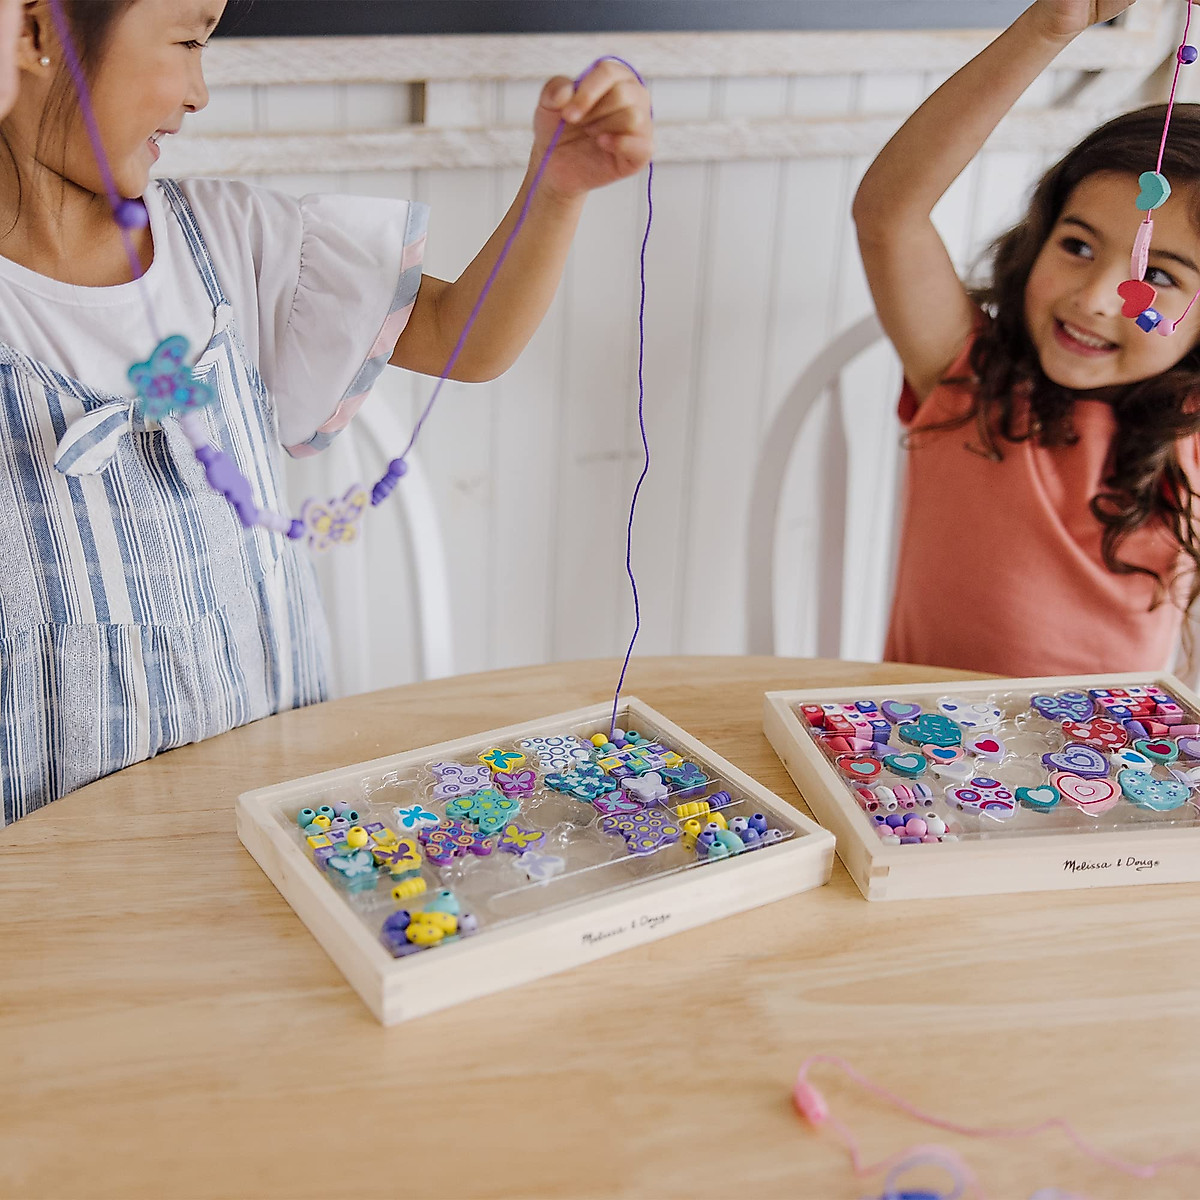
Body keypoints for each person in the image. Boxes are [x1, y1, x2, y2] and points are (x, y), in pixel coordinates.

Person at [0, 0, 653, 823]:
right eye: (187, 40)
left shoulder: (229, 239)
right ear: (34, 32)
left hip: (263, 801)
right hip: (42, 838)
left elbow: (466, 340)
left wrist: (552, 192)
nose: (200, 91)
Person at [854, 0, 1200, 676]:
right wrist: (1047, 28)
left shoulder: (1189, 433)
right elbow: (889, 214)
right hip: (920, 739)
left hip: (1112, 746)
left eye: (1157, 275)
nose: (1094, 298)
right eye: (1077, 246)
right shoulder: (968, 382)